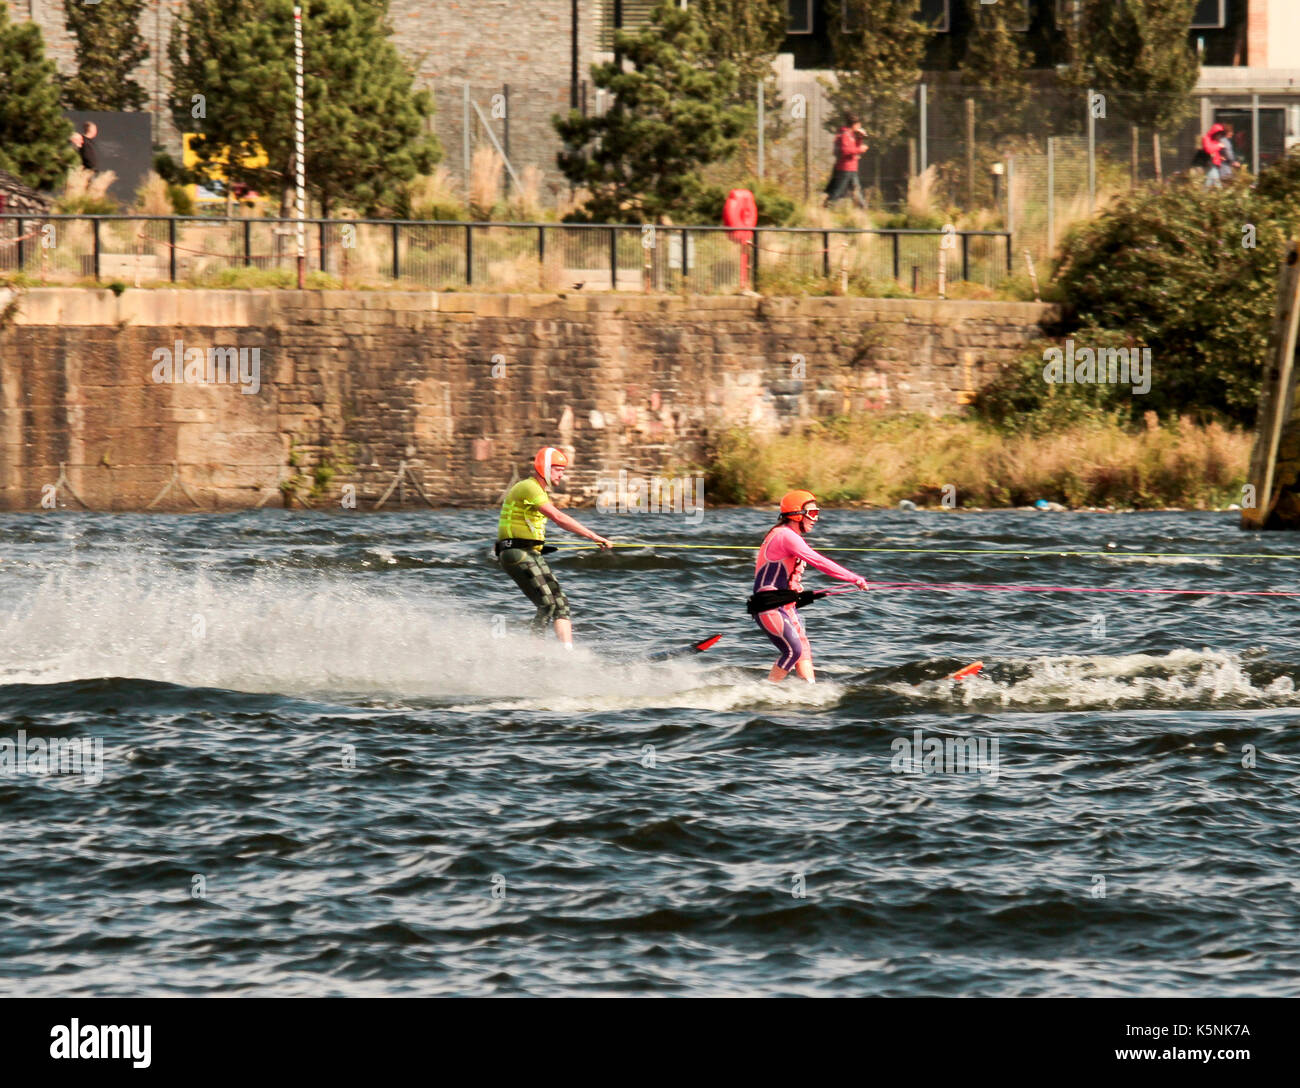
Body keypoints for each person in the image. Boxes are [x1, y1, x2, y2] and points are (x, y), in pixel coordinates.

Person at [496, 447, 611, 648]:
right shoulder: (529, 487)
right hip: (517, 553)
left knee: (561, 605)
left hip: (529, 553)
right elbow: (558, 517)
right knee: (547, 604)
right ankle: (535, 651)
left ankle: (567, 653)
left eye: (563, 470)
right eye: (558, 469)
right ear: (545, 468)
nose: (562, 474)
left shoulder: (538, 491)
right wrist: (593, 536)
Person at [750, 490, 868, 684]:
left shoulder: (788, 535)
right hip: (769, 606)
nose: (816, 519)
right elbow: (818, 561)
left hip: (786, 606)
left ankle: (810, 691)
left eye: (817, 513)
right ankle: (765, 690)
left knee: (803, 650)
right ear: (797, 515)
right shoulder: (785, 536)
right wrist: (853, 578)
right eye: (812, 514)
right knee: (793, 651)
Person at [824, 114, 869, 209]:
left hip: (851, 168)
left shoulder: (851, 135)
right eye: (859, 125)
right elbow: (846, 151)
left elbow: (853, 148)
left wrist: (860, 138)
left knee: (856, 190)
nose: (860, 127)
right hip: (845, 169)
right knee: (837, 192)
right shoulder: (845, 135)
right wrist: (860, 150)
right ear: (854, 125)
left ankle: (863, 209)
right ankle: (826, 209)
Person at [1200, 122, 1226, 188]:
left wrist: (1220, 158)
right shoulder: (1206, 138)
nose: (1219, 137)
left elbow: (1214, 152)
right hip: (1210, 164)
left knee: (1209, 183)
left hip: (1214, 165)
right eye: (1219, 134)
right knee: (1216, 183)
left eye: (1220, 135)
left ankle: (1202, 195)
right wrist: (1218, 145)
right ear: (1215, 133)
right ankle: (1221, 195)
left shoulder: (1215, 141)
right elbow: (1209, 149)